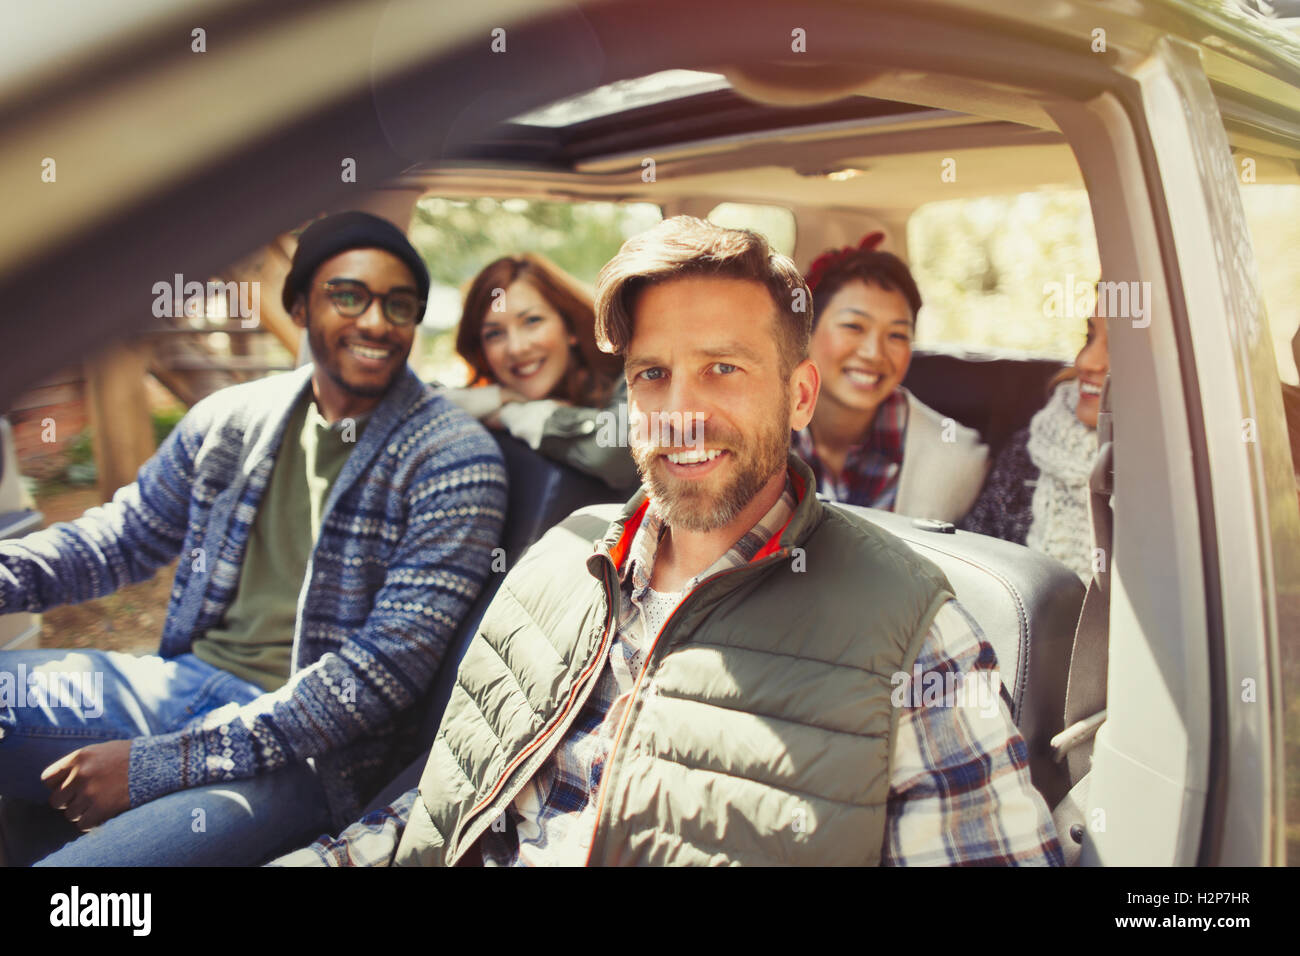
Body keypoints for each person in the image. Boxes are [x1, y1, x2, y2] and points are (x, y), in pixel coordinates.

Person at [273, 216, 1062, 866]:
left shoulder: (915, 632)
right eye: (653, 374)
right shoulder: (559, 566)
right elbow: (448, 803)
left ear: (799, 395)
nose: (681, 410)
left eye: (722, 368)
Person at [0, 211, 508, 866]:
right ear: (299, 306)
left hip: (314, 756)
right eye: (348, 295)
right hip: (179, 687)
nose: (378, 323)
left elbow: (381, 673)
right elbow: (120, 540)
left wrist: (157, 766)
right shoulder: (232, 417)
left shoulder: (453, 457)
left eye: (400, 305)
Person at [793, 234, 988, 522]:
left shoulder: (958, 458)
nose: (874, 353)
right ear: (804, 332)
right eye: (854, 326)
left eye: (897, 335)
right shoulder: (756, 429)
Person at [442, 253, 641, 491]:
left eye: (532, 321)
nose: (516, 348)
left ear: (570, 328)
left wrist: (516, 414)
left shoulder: (632, 376)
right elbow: (420, 403)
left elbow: (610, 451)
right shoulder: (490, 393)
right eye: (494, 334)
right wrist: (499, 397)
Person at [961, 305, 1110, 581]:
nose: (1087, 361)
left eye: (1118, 347)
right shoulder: (1029, 452)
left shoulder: (1193, 488)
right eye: (1088, 338)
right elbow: (970, 575)